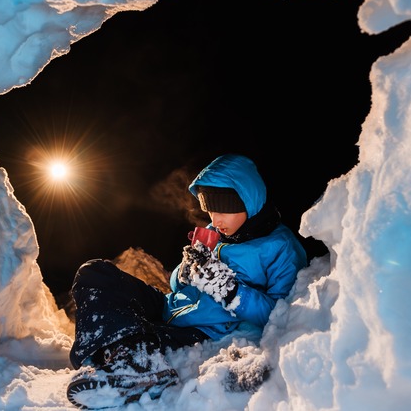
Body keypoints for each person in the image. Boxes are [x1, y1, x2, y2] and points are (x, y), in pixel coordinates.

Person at [66, 154, 308, 408]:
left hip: (203, 330)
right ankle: (119, 354)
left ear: (248, 201)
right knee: (94, 272)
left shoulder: (282, 248)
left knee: (138, 333)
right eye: (210, 210)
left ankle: (137, 366)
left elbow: (281, 315)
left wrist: (231, 291)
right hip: (171, 307)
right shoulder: (217, 233)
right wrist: (184, 273)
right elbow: (178, 286)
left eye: (222, 209)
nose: (215, 220)